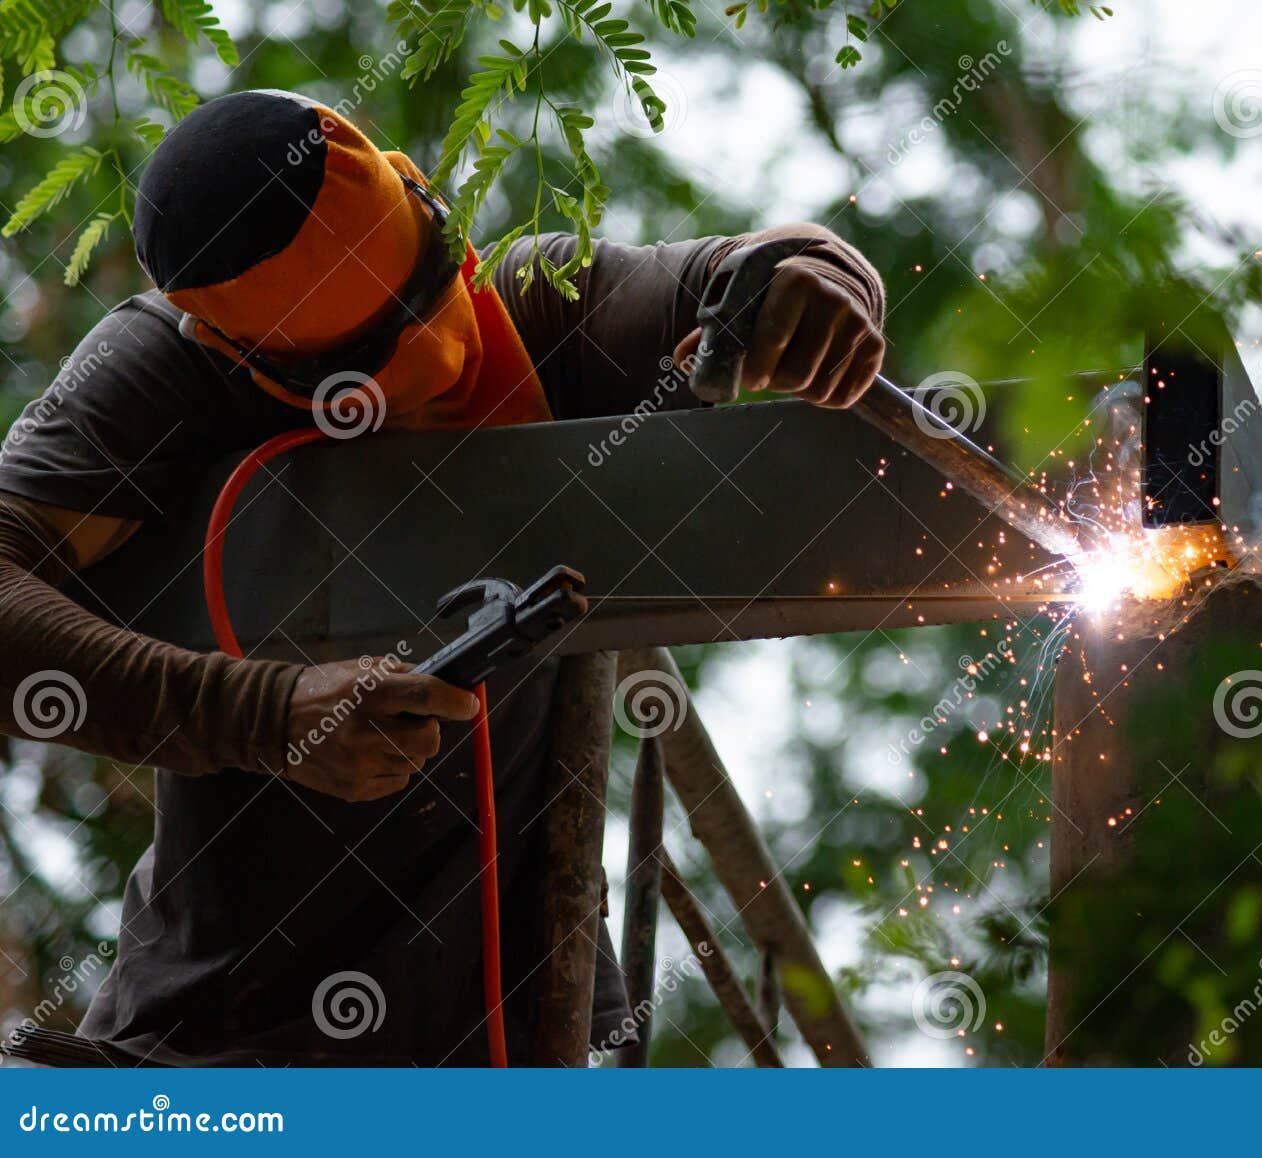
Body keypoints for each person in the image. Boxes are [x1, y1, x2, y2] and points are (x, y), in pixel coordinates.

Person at [0, 89, 885, 1065]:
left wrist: (810, 287)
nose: (445, 347)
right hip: (207, 1055)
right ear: (234, 355)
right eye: (368, 358)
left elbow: (747, 272)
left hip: (512, 1055)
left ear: (423, 197)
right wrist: (262, 715)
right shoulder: (159, 374)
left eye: (429, 278)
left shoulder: (541, 301)